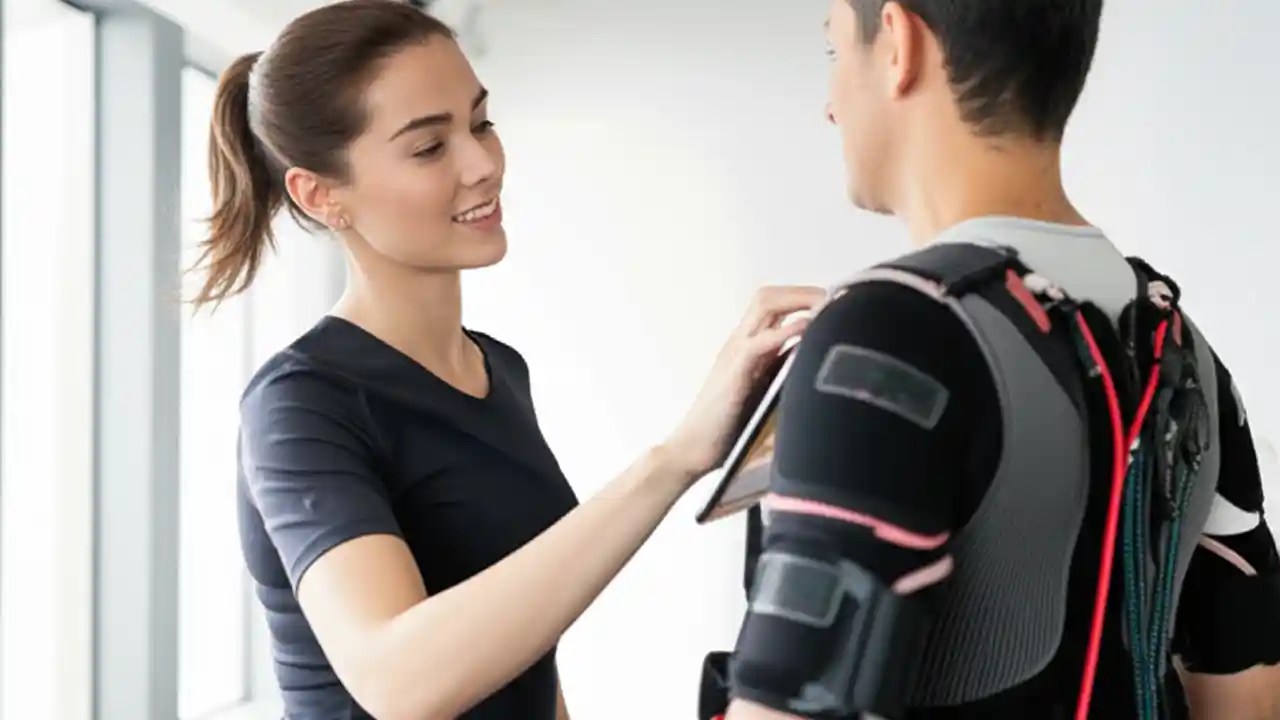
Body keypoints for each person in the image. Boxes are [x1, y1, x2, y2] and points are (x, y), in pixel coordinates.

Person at [191, 1, 826, 718]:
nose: (483, 163)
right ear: (322, 194)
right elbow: (399, 682)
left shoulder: (498, 370)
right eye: (430, 148)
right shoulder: (300, 403)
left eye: (481, 122)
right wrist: (675, 458)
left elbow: (524, 653)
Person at [716, 1, 1280, 719]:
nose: (830, 105)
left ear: (897, 42)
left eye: (834, 54)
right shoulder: (1190, 354)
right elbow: (1248, 691)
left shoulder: (887, 336)